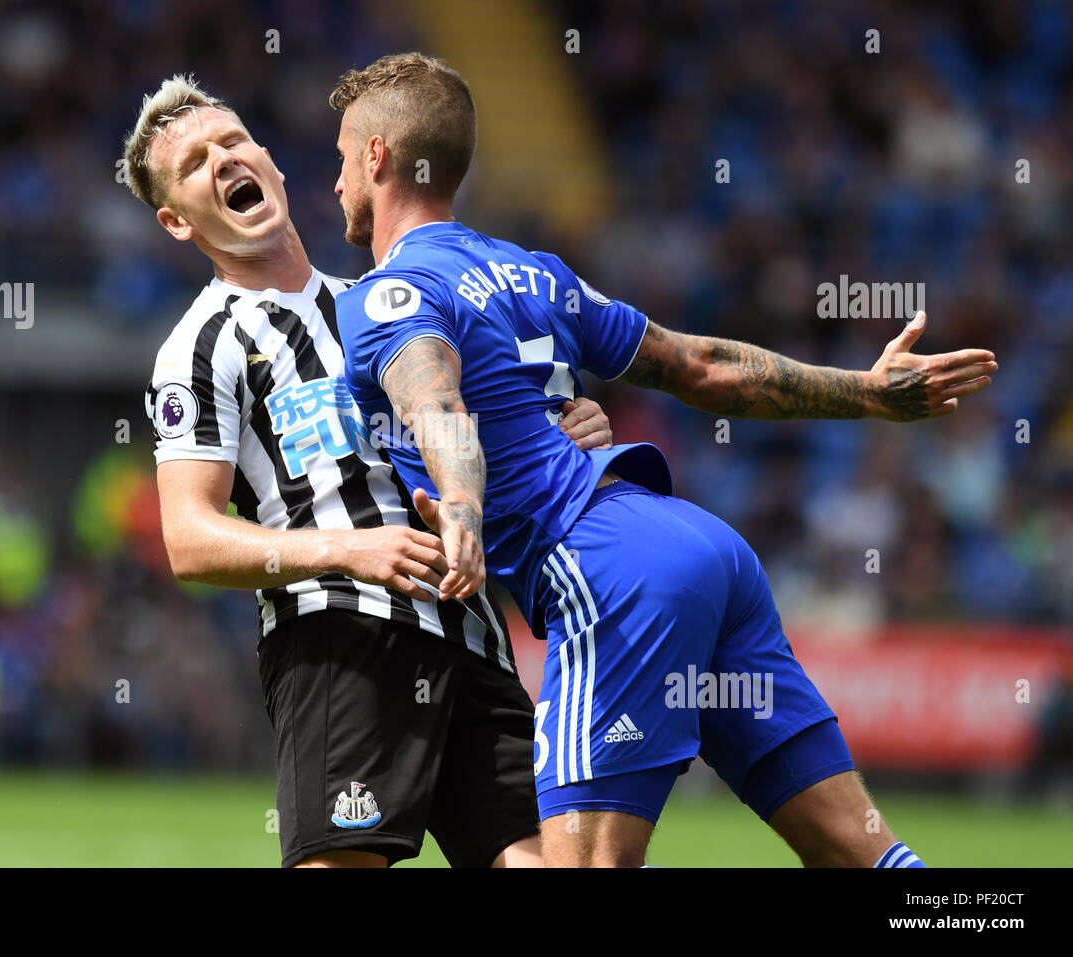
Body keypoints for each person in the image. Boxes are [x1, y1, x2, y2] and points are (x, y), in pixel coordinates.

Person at [331, 53, 996, 867]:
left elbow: (439, 408)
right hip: (706, 553)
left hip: (608, 573)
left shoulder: (384, 295)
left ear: (376, 158)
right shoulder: (535, 274)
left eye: (338, 159)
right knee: (866, 857)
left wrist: (463, 509)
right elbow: (700, 366)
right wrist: (867, 391)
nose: (333, 185)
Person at [121, 74, 615, 868]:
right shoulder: (200, 346)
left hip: (470, 634)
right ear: (177, 221)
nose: (223, 160)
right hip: (339, 635)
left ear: (273, 164)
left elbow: (482, 434)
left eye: (233, 141)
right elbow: (189, 539)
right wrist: (350, 551)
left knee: (548, 862)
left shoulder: (383, 301)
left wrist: (571, 430)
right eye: (194, 164)